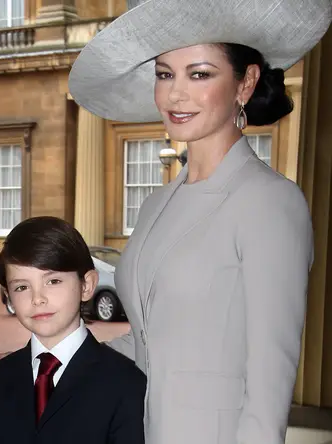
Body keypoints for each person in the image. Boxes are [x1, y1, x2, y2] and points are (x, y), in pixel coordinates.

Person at [66, 0, 329, 443]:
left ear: (245, 83)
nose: (175, 94)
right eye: (165, 73)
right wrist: (45, 365)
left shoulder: (271, 202)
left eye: (200, 74)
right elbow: (148, 343)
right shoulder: (155, 205)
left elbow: (271, 374)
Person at [0, 216, 146, 443]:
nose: (38, 298)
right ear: (8, 296)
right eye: (22, 287)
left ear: (87, 285)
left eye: (53, 281)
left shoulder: (125, 383)